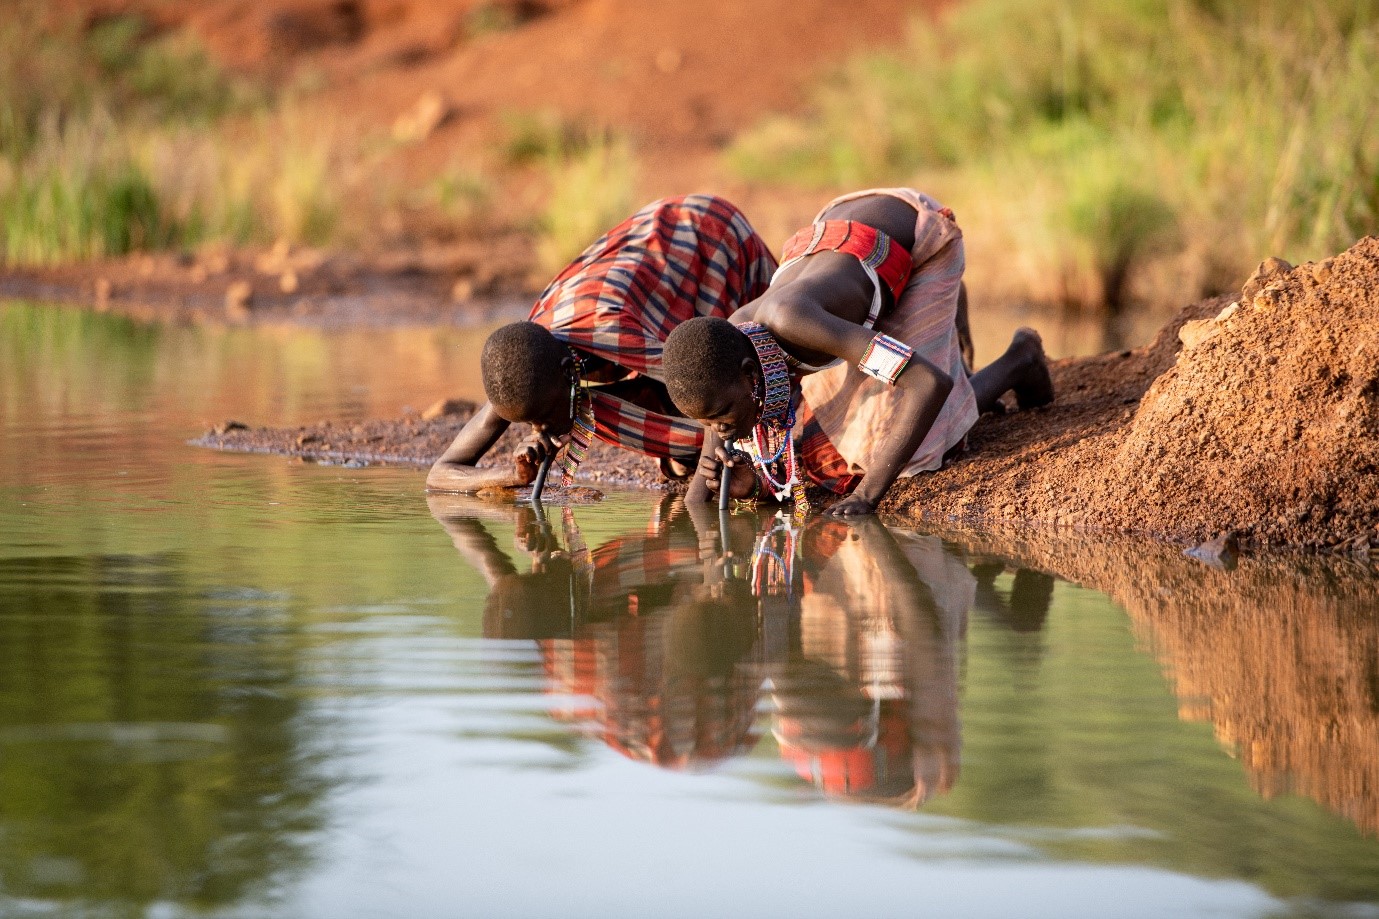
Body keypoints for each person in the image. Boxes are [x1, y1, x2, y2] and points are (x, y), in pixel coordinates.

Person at [662, 188, 1054, 516]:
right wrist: (721, 505)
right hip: (837, 242)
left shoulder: (796, 327)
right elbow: (700, 491)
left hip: (912, 236)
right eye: (707, 423)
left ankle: (1022, 358)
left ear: (751, 376)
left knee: (920, 445)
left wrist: (866, 497)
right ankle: (936, 332)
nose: (717, 431)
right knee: (838, 433)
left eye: (719, 418)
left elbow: (928, 382)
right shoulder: (728, 353)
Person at [426, 194, 777, 493]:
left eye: (545, 419)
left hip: (706, 237)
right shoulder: (523, 371)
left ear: (567, 372)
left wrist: (700, 493)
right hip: (641, 270)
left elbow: (705, 379)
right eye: (531, 424)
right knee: (633, 419)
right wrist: (510, 474)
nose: (540, 431)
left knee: (738, 381)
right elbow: (441, 473)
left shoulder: (609, 334)